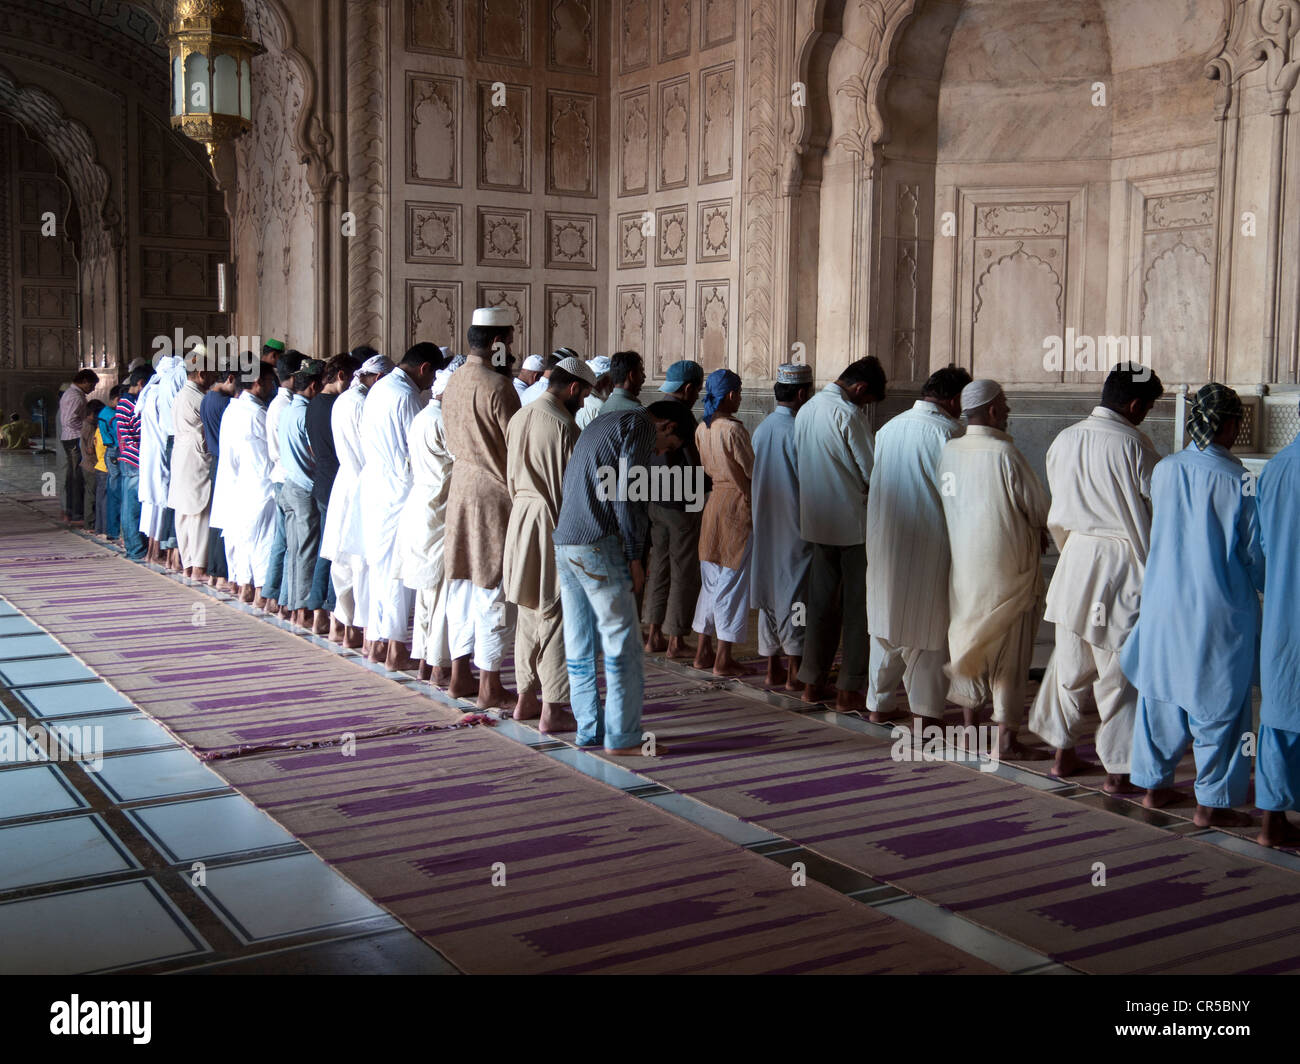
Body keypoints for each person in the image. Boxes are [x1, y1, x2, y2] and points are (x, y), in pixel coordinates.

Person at [1120, 384, 1264, 828]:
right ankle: (1211, 803)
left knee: (1159, 697)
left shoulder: (1165, 469)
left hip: (1164, 604)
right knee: (1219, 706)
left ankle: (1153, 787)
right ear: (1231, 425)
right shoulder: (1237, 478)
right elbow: (1255, 553)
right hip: (1216, 612)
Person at [1028, 365, 1163, 792]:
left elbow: (1059, 510)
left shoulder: (1064, 440)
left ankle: (1062, 754)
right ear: (1136, 405)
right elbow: (1161, 504)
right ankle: (1118, 772)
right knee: (1118, 673)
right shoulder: (1135, 445)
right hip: (1122, 567)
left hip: (1077, 561)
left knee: (1070, 663)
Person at [553, 408, 680, 754]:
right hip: (597, 543)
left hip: (566, 541)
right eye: (666, 445)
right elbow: (627, 492)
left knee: (580, 641)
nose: (658, 454)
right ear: (665, 425)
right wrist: (635, 554)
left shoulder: (605, 422)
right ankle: (623, 737)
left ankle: (589, 729)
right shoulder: (639, 426)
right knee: (622, 640)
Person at [939, 379, 1050, 758]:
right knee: (1011, 654)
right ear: (990, 410)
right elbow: (1038, 508)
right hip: (1009, 573)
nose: (1008, 411)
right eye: (1003, 405)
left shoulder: (949, 451)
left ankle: (970, 729)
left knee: (970, 642)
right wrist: (1038, 533)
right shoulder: (1006, 455)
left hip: (966, 571)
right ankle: (1005, 738)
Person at [865, 366, 971, 725]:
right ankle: (925, 714)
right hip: (928, 545)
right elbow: (957, 500)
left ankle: (877, 705)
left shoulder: (889, 428)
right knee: (926, 632)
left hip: (885, 540)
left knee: (884, 626)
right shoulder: (951, 435)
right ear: (955, 399)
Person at [504, 357, 594, 732]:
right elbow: (573, 494)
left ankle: (526, 696)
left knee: (529, 609)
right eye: (584, 396)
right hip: (552, 523)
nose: (584, 403)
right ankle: (554, 706)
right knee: (558, 612)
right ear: (573, 389)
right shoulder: (564, 427)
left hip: (521, 519)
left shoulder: (520, 416)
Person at [793, 357, 886, 711]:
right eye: (868, 401)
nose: (865, 407)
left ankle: (811, 683)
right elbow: (871, 470)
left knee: (820, 606)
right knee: (857, 609)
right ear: (860, 389)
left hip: (817, 523)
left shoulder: (807, 410)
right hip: (852, 527)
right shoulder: (846, 414)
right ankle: (849, 689)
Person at [442, 309, 521, 707]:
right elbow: (517, 445)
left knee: (461, 583)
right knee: (493, 588)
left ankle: (459, 675)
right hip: (493, 494)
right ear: (497, 343)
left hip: (460, 490)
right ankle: (489, 683)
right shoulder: (498, 386)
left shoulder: (453, 380)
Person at [348, 343, 442, 670]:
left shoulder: (380, 389)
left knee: (380, 567)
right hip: (397, 491)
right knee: (395, 571)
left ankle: (377, 641)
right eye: (431, 378)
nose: (429, 385)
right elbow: (416, 446)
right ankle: (395, 647)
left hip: (377, 487)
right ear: (424, 368)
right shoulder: (404, 396)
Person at [397, 355, 463, 684]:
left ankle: (423, 658)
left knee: (427, 592)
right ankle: (439, 666)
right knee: (442, 593)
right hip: (439, 509)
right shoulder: (443, 421)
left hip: (423, 506)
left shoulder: (423, 416)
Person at [750, 363, 814, 689]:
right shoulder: (798, 431)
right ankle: (795, 671)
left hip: (766, 525)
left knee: (771, 596)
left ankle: (772, 666)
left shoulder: (762, 429)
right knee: (797, 598)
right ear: (802, 393)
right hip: (794, 526)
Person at [323, 353, 390, 650]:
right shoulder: (363, 404)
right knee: (360, 561)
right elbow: (369, 451)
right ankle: (359, 632)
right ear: (376, 379)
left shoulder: (343, 400)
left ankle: (344, 626)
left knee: (344, 561)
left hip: (345, 482)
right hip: (361, 483)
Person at [1257, 398, 1300, 847]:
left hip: (1285, 607)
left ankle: (1271, 821)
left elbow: (1263, 545)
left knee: (1281, 708)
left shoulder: (1276, 469)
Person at [690, 369, 753, 677]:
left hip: (713, 503)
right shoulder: (733, 430)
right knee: (733, 581)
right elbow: (750, 470)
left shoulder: (703, 429)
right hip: (737, 505)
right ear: (731, 395)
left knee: (711, 579)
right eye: (739, 393)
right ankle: (723, 658)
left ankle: (703, 650)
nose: (740, 399)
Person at [642, 359, 705, 658]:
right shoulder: (682, 416)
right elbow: (694, 463)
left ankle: (653, 634)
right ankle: (676, 640)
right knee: (683, 569)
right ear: (689, 388)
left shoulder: (650, 412)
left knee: (659, 567)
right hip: (681, 504)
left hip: (654, 501)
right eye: (697, 390)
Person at [210, 362, 280, 602]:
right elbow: (275, 449)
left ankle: (244, 586)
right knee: (263, 540)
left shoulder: (232, 410)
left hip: (238, 485)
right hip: (260, 484)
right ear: (258, 382)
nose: (272, 387)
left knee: (243, 539)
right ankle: (260, 592)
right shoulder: (257, 413)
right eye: (270, 382)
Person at [305, 353, 360, 639]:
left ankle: (318, 616)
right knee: (335, 553)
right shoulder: (339, 405)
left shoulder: (313, 404)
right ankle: (331, 615)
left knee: (328, 550)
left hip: (322, 481)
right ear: (341, 375)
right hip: (336, 485)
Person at [277, 358, 326, 628]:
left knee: (294, 550)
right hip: (304, 489)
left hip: (288, 486)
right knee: (306, 552)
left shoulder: (286, 410)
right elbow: (313, 453)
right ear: (315, 385)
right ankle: (303, 609)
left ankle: (294, 607)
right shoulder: (305, 414)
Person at [263, 350, 307, 615]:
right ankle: (284, 600)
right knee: (290, 543)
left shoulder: (282, 403)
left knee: (284, 541)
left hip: (282, 477)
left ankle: (274, 596)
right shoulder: (286, 406)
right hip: (286, 477)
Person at [167, 356, 219, 580]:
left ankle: (188, 563)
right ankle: (198, 566)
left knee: (184, 514)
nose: (214, 377)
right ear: (201, 374)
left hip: (182, 455)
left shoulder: (182, 395)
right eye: (211, 373)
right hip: (195, 456)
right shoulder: (198, 398)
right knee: (198, 513)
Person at [199, 356, 242, 589]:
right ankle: (221, 571)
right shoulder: (225, 404)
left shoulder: (207, 398)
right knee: (225, 520)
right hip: (224, 462)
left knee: (217, 518)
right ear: (231, 378)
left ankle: (216, 572)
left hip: (216, 460)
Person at [115, 367, 152, 561]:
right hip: (134, 459)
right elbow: (135, 434)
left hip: (130, 458)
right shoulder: (129, 404)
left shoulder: (127, 402)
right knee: (133, 507)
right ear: (141, 384)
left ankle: (134, 546)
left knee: (130, 505)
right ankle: (136, 548)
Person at [58, 370, 98, 525]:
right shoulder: (75, 396)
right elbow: (69, 421)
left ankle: (72, 511)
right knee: (76, 477)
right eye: (92, 384)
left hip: (70, 438)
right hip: (74, 438)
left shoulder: (71, 393)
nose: (93, 388)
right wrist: (85, 427)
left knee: (73, 476)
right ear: (85, 380)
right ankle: (76, 513)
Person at [97, 389, 122, 542]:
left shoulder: (104, 412)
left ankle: (111, 530)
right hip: (115, 451)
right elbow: (119, 435)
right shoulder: (112, 415)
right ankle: (114, 530)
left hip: (110, 452)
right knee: (116, 493)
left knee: (112, 493)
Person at [597, 351, 646, 416]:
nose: (644, 376)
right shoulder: (637, 412)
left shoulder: (603, 408)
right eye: (641, 371)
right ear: (632, 375)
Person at [577, 356, 612, 429]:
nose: (613, 386)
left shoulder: (580, 398)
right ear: (605, 381)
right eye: (612, 381)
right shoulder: (600, 408)